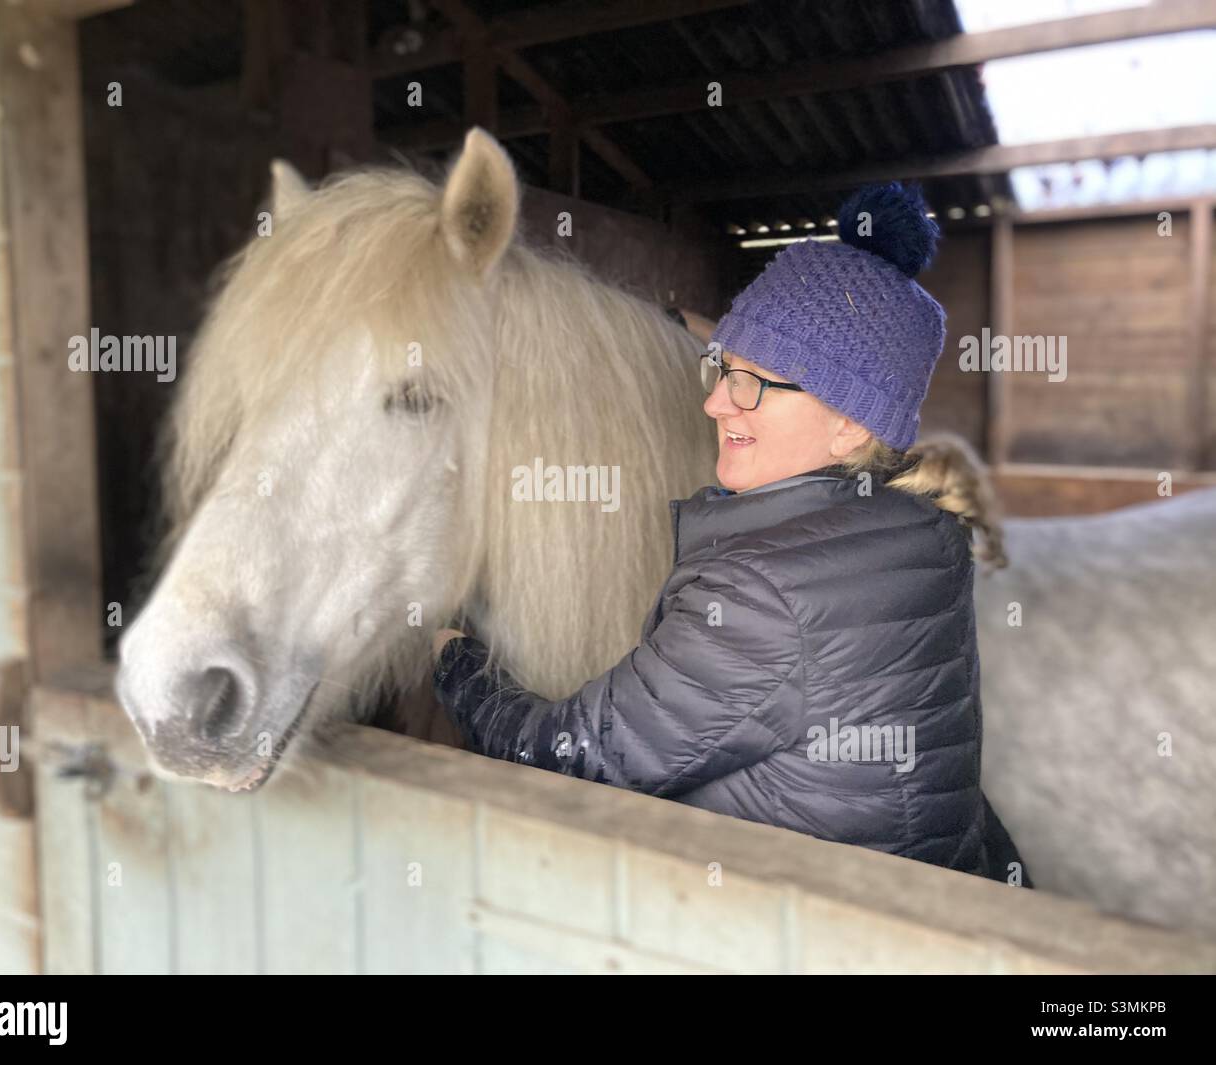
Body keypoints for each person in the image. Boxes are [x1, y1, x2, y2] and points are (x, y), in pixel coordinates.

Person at [432, 182, 1029, 886]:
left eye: (752, 383)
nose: (716, 402)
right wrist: (709, 340)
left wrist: (453, 661)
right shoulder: (924, 533)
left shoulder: (759, 593)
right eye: (722, 369)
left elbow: (577, 752)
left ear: (849, 424)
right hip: (938, 898)